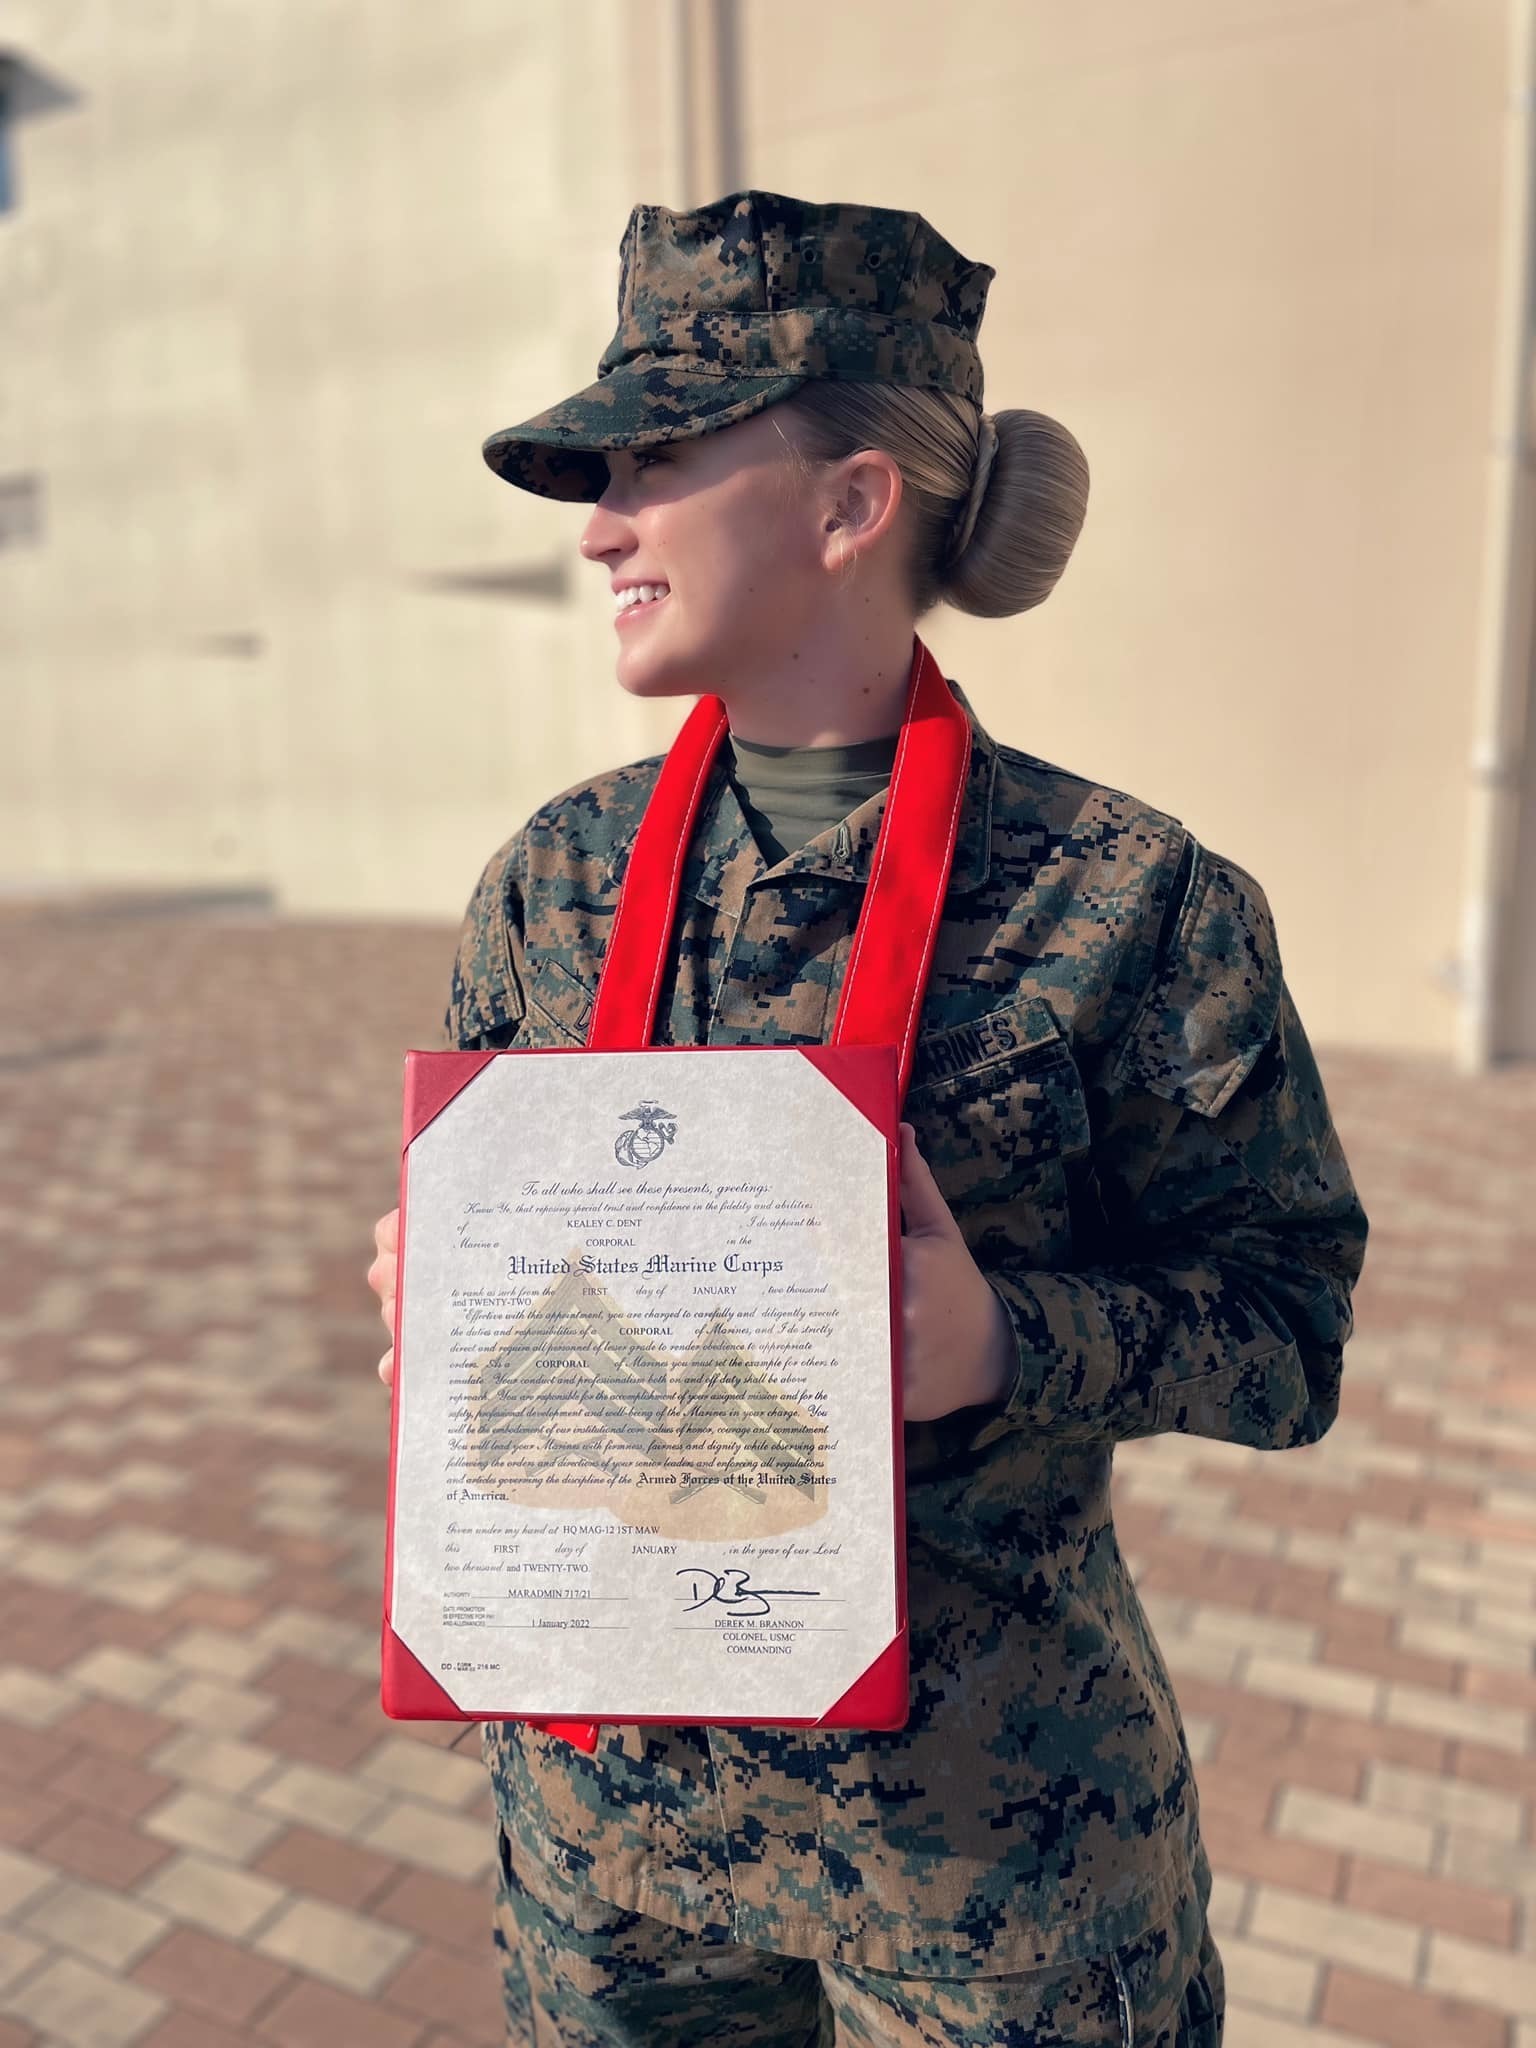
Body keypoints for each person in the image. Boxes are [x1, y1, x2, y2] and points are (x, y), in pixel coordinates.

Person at [366, 189, 1369, 2046]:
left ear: (848, 507)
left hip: (992, 1849)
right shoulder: (551, 881)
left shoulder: (1129, 900)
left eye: (658, 455)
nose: (599, 527)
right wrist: (441, 1306)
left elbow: (1284, 1336)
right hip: (614, 1848)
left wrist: (1007, 1337)